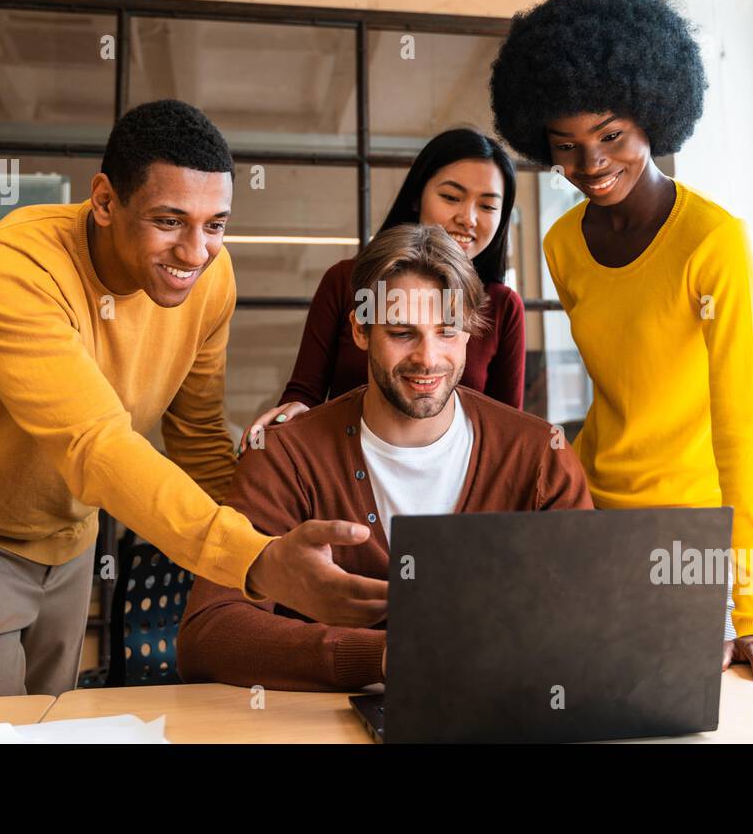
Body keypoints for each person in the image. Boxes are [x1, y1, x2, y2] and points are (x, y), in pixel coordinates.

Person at [0, 99, 386, 701]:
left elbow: (197, 435)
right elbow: (94, 445)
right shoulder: (14, 270)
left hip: (72, 540)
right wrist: (257, 560)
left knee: (50, 729)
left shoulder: (210, 278)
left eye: (216, 224)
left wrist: (279, 548)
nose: (196, 252)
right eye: (170, 221)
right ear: (104, 201)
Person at [489, 0, 753, 686]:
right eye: (566, 147)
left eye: (611, 135)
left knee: (680, 708)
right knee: (584, 698)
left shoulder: (713, 241)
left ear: (653, 114)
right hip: (592, 511)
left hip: (692, 533)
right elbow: (616, 391)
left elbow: (743, 433)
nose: (592, 165)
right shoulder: (561, 245)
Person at [179, 224, 591, 690]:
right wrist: (380, 659)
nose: (428, 358)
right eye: (401, 333)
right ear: (360, 329)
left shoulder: (540, 455)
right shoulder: (286, 456)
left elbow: (590, 615)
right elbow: (209, 633)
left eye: (447, 332)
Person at [239, 128, 526, 452]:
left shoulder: (503, 306)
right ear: (417, 196)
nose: (468, 218)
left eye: (487, 206)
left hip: (459, 482)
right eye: (451, 197)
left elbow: (506, 426)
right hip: (347, 468)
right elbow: (305, 394)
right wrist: (287, 425)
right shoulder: (345, 281)